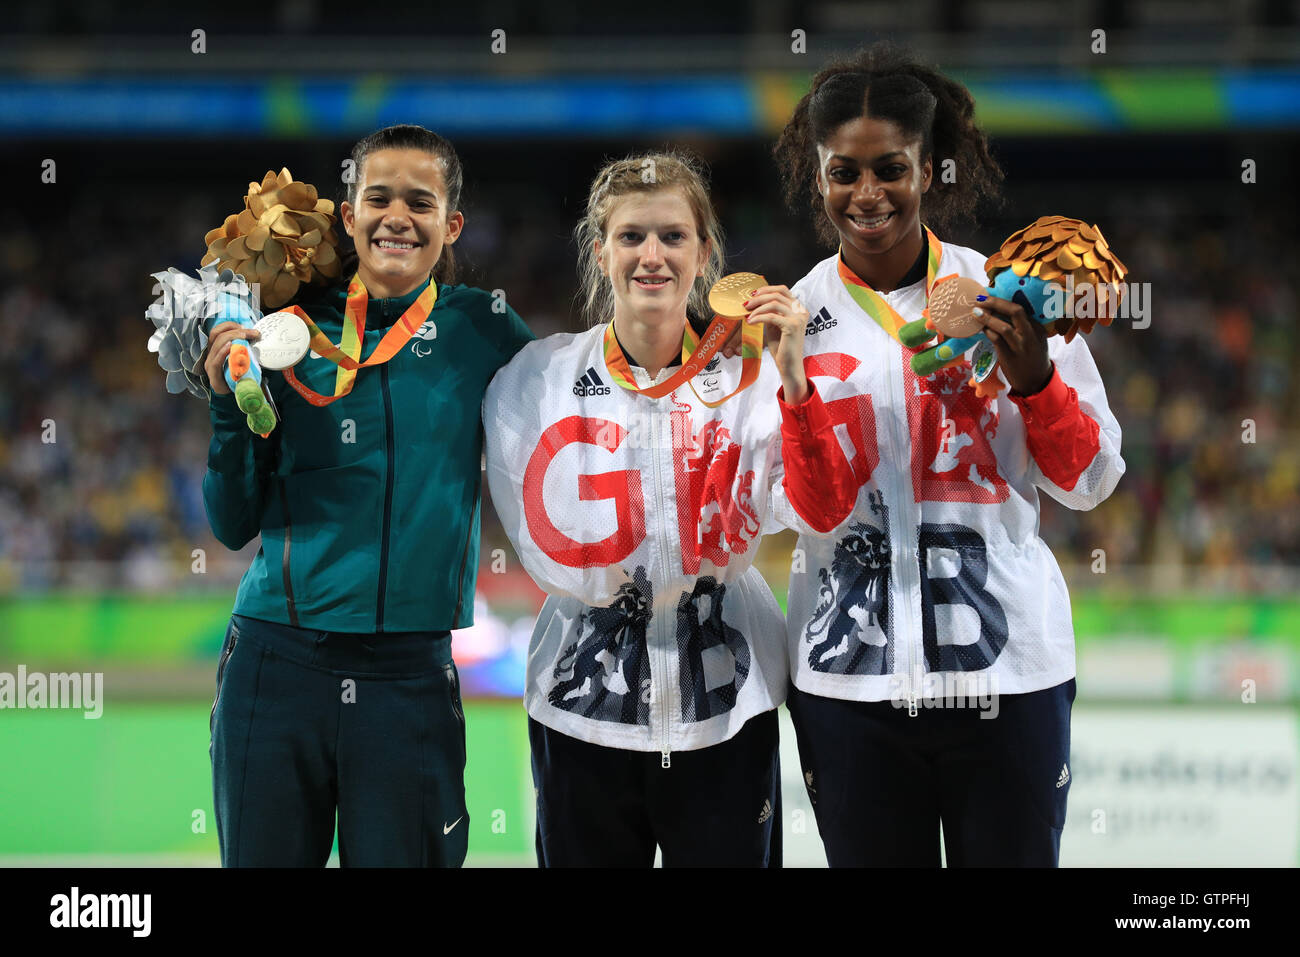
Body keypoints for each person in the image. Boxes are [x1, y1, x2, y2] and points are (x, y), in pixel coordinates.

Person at [771, 42, 1125, 866]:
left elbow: (1089, 481)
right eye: (842, 172)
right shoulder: (789, 323)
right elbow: (810, 511)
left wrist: (1036, 379)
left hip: (1011, 676)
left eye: (890, 168)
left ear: (930, 170)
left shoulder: (1006, 294)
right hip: (849, 686)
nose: (867, 194)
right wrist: (792, 393)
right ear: (817, 176)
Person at [482, 151, 856, 867]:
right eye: (631, 237)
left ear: (705, 252)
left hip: (727, 711)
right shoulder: (537, 379)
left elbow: (820, 509)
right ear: (600, 250)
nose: (652, 255)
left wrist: (798, 387)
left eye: (673, 236)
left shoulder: (754, 377)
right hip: (581, 712)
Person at [203, 124, 533, 866]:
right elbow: (229, 525)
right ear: (347, 216)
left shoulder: (484, 329)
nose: (396, 216)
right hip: (277, 664)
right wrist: (229, 401)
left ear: (450, 225)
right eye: (377, 197)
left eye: (420, 201)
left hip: (408, 678)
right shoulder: (287, 333)